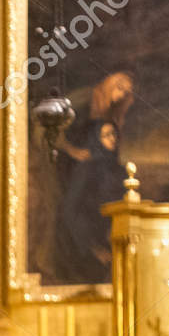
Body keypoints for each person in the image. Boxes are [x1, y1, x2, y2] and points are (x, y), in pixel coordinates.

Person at [55, 121, 123, 284]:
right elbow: (70, 210)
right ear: (96, 139)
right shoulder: (86, 169)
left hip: (114, 237)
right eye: (106, 135)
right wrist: (94, 248)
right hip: (87, 243)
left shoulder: (119, 170)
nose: (112, 139)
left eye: (113, 134)